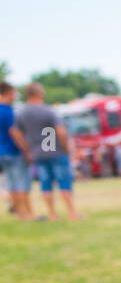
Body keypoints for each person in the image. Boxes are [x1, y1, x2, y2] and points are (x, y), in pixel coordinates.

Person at [13, 83, 82, 221]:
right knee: (64, 182)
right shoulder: (48, 111)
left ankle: (52, 214)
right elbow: (61, 132)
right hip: (55, 152)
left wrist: (27, 150)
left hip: (37, 154)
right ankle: (72, 213)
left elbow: (16, 133)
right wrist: (66, 149)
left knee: (45, 185)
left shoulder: (21, 113)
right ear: (39, 93)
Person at [0, 81, 35, 220]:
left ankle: (20, 213)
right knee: (22, 183)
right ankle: (28, 214)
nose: (15, 96)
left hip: (2, 153)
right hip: (14, 152)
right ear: (8, 93)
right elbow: (15, 133)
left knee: (12, 184)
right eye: (14, 93)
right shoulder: (7, 111)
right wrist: (26, 150)